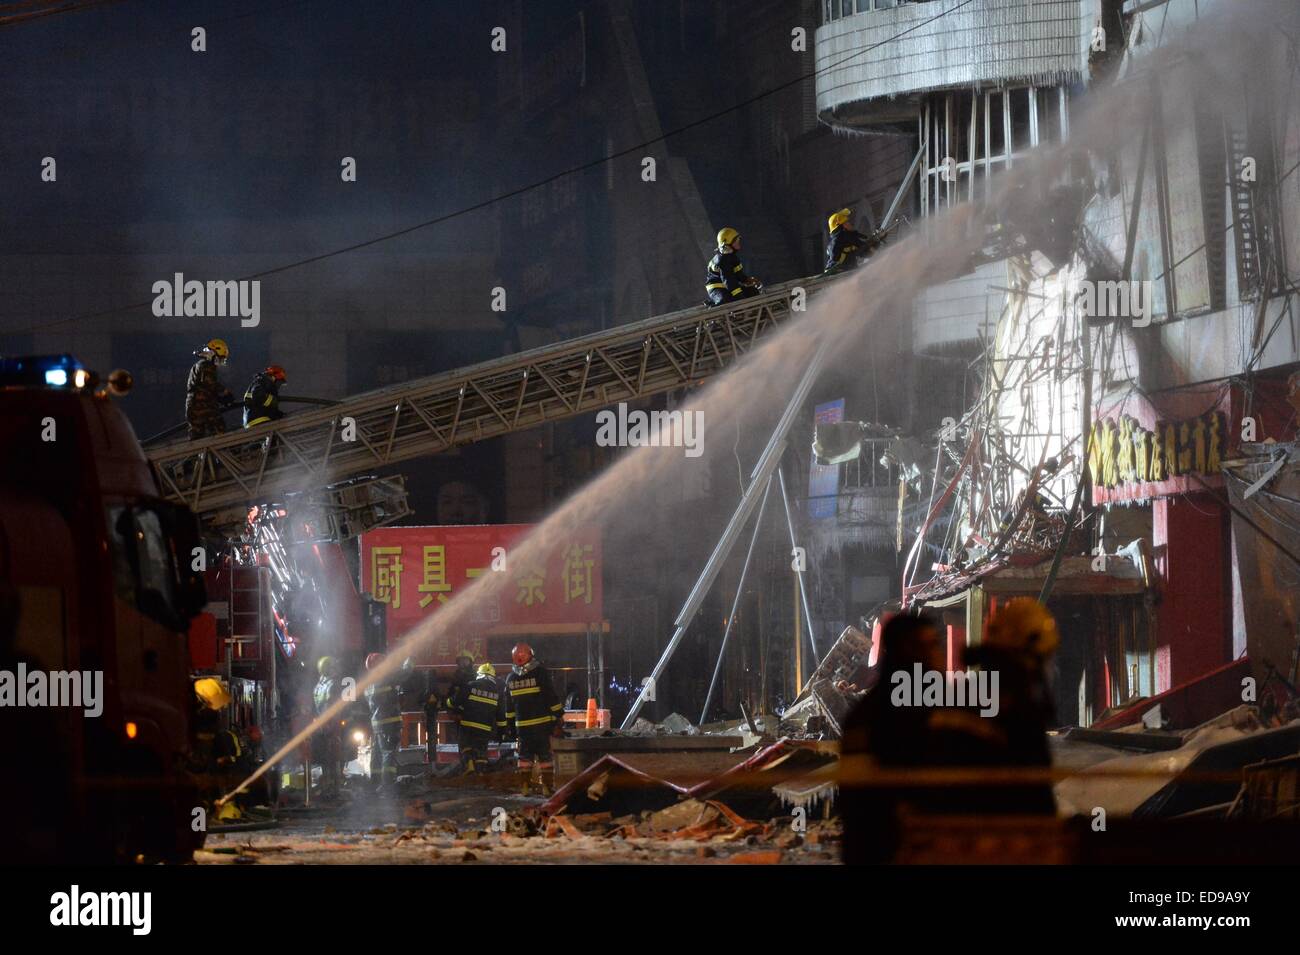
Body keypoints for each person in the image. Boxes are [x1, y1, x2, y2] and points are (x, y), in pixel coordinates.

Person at [503, 642, 564, 795]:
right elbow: (550, 695)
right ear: (530, 655)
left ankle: (525, 787)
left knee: (524, 757)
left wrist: (510, 726)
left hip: (522, 727)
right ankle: (547, 788)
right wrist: (559, 715)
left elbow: (509, 707)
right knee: (545, 757)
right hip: (542, 724)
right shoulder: (540, 673)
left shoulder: (510, 678)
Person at [450, 663, 507, 775]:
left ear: (479, 674)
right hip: (485, 728)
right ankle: (480, 773)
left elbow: (455, 701)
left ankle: (469, 764)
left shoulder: (471, 685)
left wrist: (447, 702)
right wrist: (502, 731)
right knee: (480, 750)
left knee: (465, 745)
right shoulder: (497, 692)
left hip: (468, 724)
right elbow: (501, 715)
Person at [363, 652, 403, 792]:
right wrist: (409, 661)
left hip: (378, 724)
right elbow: (403, 675)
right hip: (390, 723)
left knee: (378, 753)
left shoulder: (369, 683)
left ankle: (375, 782)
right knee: (389, 753)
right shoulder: (384, 677)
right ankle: (388, 784)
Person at [186, 338, 233, 440]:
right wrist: (225, 393)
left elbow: (205, 388)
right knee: (219, 432)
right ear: (212, 354)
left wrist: (219, 399)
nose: (220, 362)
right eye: (219, 358)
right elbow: (210, 383)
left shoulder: (200, 365)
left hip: (194, 405)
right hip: (203, 406)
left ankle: (197, 456)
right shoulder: (206, 365)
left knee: (196, 438)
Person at [312, 655, 344, 799]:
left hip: (321, 725)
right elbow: (335, 707)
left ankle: (327, 785)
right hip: (332, 725)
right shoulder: (333, 685)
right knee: (335, 757)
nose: (335, 669)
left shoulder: (318, 686)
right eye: (333, 667)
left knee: (325, 757)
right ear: (327, 668)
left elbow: (317, 707)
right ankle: (336, 788)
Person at [704, 227, 762, 306]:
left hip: (728, 286)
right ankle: (712, 305)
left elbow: (738, 274)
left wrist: (746, 280)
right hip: (716, 288)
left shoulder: (732, 257)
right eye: (736, 241)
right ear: (727, 244)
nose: (738, 243)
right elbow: (728, 280)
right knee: (726, 301)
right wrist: (739, 296)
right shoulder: (722, 261)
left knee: (752, 292)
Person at [823, 208, 877, 275]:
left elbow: (864, 252)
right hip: (834, 273)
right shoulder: (838, 240)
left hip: (848, 271)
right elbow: (834, 254)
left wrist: (876, 244)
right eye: (846, 222)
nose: (850, 224)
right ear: (840, 227)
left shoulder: (850, 238)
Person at [243, 364, 287, 429]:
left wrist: (277, 413)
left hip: (255, 420)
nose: (279, 386)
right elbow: (258, 396)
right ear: (273, 377)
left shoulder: (261, 382)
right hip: (260, 420)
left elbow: (263, 404)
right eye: (279, 382)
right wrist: (273, 401)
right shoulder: (264, 381)